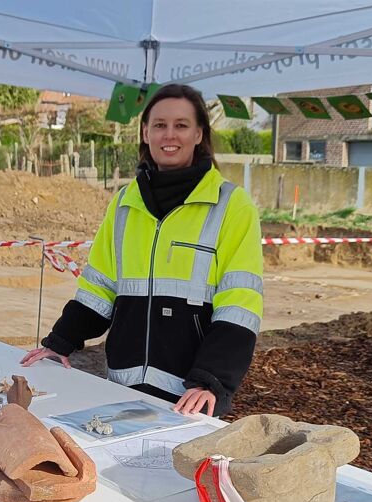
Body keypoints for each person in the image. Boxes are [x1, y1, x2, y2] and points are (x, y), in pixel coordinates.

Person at [21, 83, 263, 418]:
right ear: (145, 133)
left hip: (189, 396)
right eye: (160, 125)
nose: (170, 134)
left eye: (181, 125)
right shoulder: (124, 203)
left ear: (198, 134)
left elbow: (239, 303)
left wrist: (212, 380)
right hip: (121, 383)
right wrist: (60, 342)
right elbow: (99, 287)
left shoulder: (232, 204)